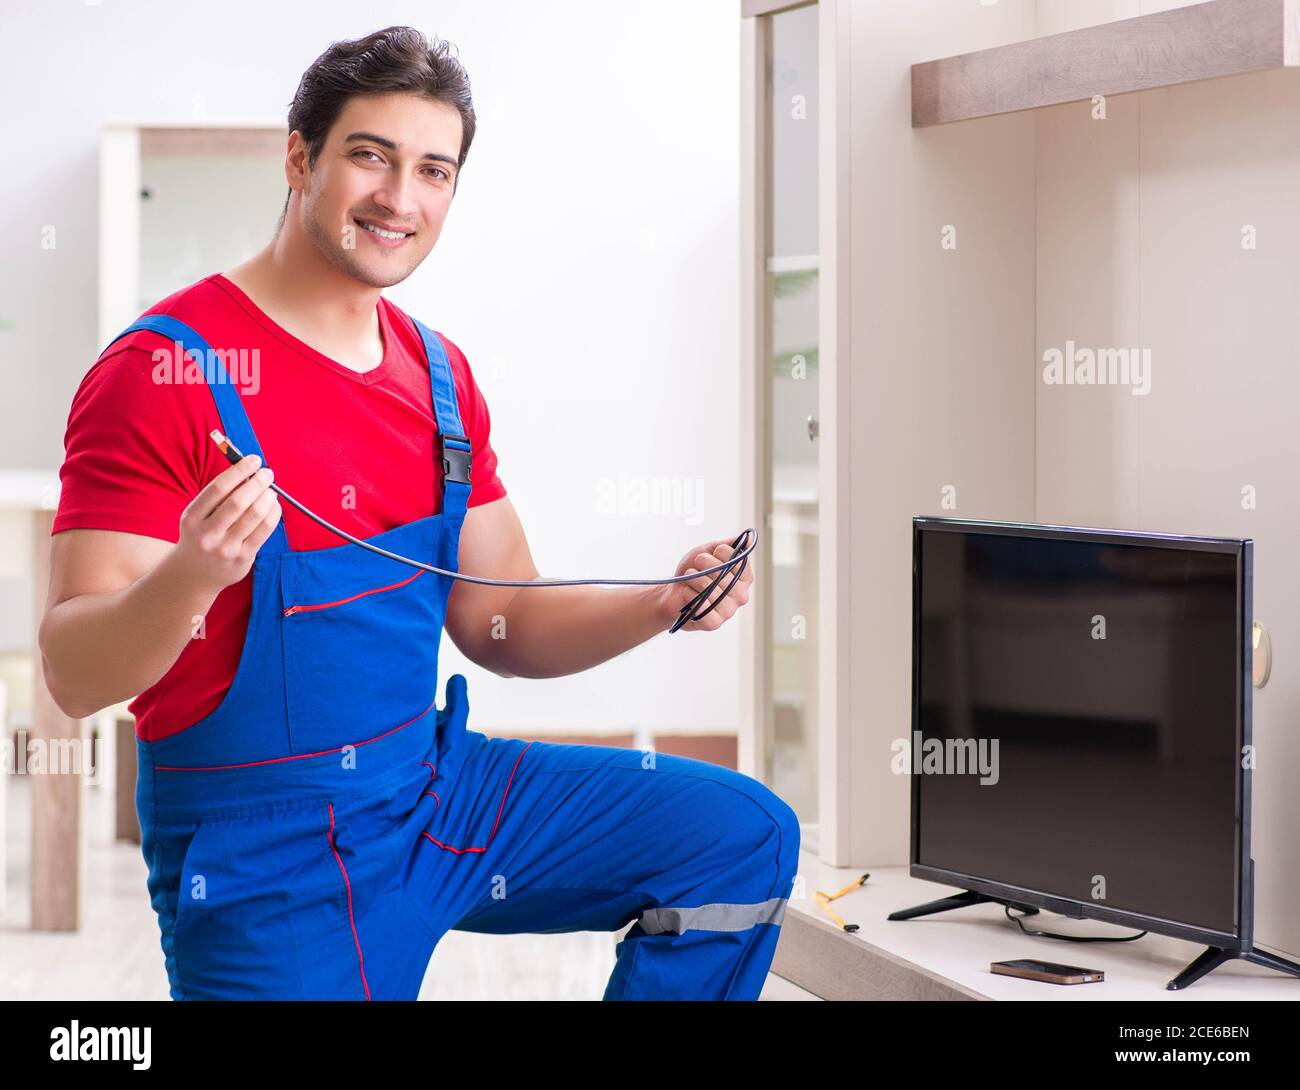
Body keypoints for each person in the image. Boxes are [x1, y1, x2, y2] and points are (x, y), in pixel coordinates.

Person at [38, 25, 799, 1001]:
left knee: (739, 836)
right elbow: (71, 670)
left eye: (433, 170)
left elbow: (504, 616)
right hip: (265, 854)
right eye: (371, 156)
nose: (402, 197)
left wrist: (660, 600)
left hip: (434, 796)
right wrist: (193, 572)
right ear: (298, 158)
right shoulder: (162, 372)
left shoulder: (438, 379)